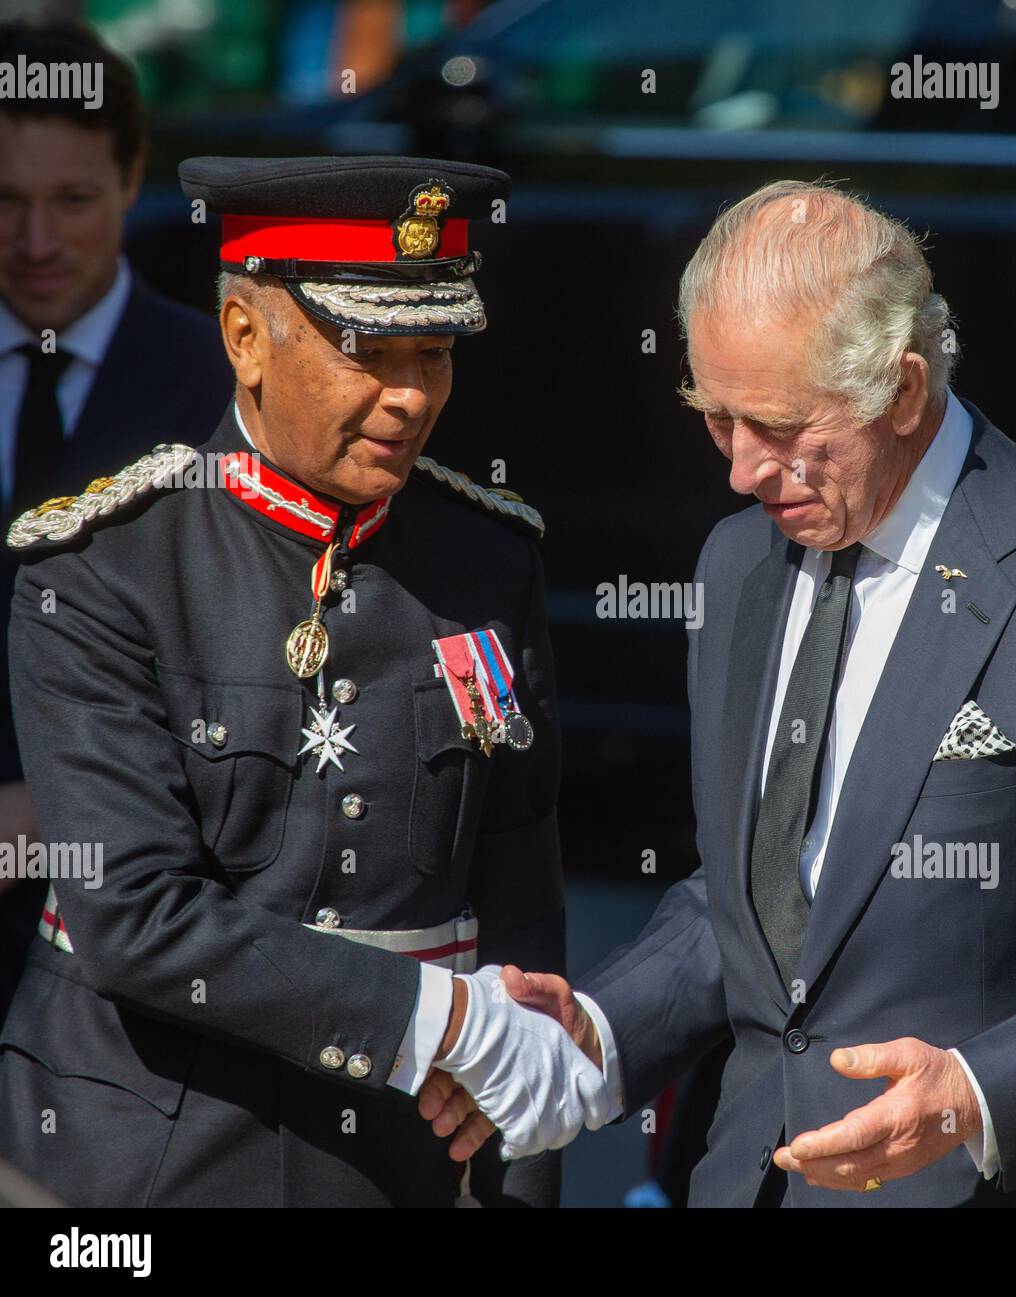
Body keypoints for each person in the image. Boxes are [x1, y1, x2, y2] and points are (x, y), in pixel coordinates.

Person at [500, 179, 1016, 1207]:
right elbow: (764, 901)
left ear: (904, 390)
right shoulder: (740, 564)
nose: (740, 469)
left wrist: (975, 1093)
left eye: (779, 427)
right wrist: (601, 1030)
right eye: (715, 418)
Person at [0, 153, 607, 1208]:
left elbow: (519, 893)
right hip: (151, 1155)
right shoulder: (105, 567)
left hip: (409, 1162)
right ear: (244, 338)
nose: (409, 396)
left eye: (435, 351)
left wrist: (518, 1147)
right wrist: (444, 1023)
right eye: (369, 349)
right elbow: (137, 914)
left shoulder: (487, 558)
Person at [0, 18, 231, 1023]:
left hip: (140, 954)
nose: (36, 243)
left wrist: (49, 818)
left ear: (135, 177)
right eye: (3, 202)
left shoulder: (227, 397)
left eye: (73, 200)